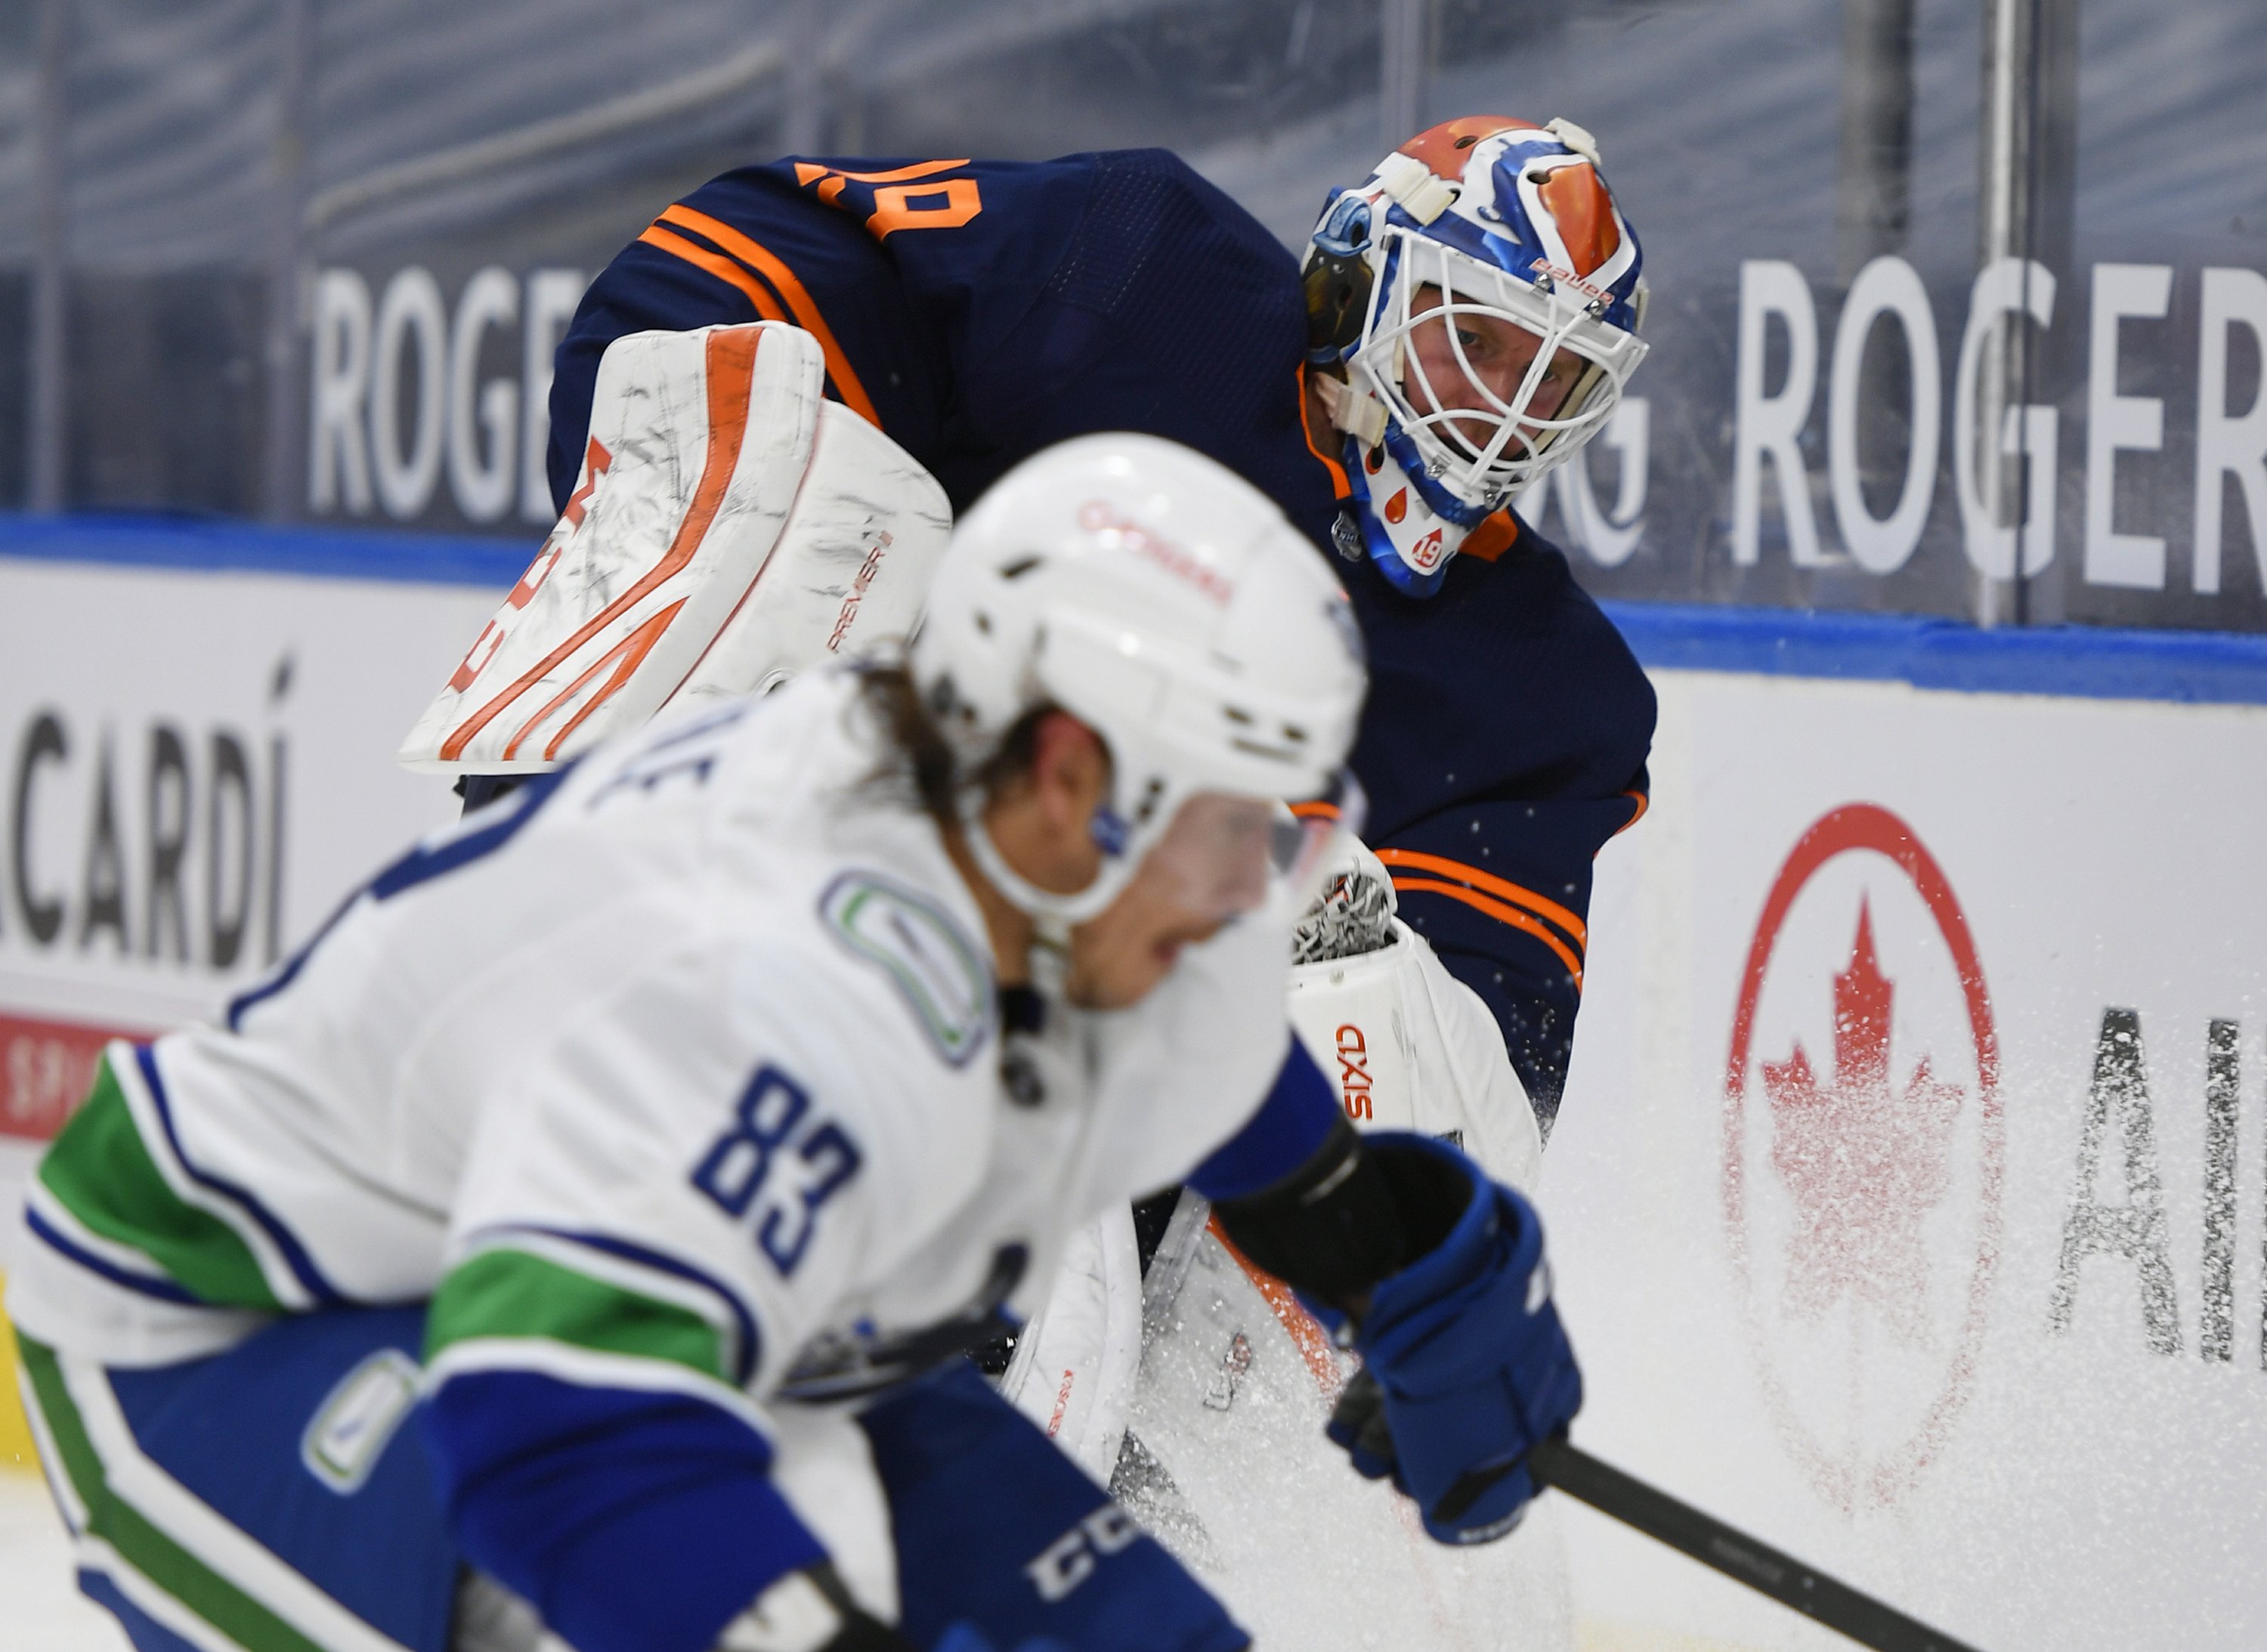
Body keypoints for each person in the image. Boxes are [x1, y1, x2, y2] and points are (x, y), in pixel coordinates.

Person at [8, 435, 1583, 1652]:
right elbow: (559, 1431)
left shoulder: (1086, 860)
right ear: (1059, 773)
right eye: (1239, 814)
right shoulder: (781, 980)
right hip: (229, 1319)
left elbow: (1254, 1119)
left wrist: (1397, 1262)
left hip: (623, 1292)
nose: (1260, 878)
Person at [542, 114, 1656, 1132]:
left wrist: (1334, 945)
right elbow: (723, 268)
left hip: (1116, 1135)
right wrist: (714, 548)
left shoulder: (1551, 701)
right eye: (1479, 338)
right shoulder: (1137, 267)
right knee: (781, 519)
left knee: (1364, 999)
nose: (1503, 404)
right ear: (1360, 273)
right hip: (809, 872)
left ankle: (1029, 1340)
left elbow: (1484, 1132)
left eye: (1556, 377)